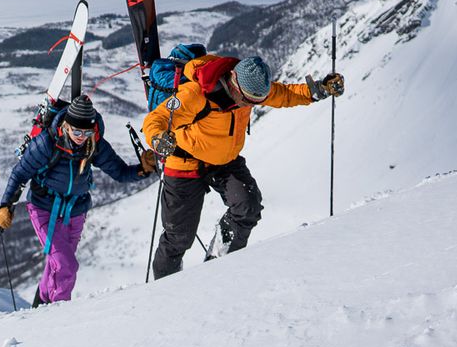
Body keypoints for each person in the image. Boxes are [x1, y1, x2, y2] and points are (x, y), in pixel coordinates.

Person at [144, 53, 344, 278]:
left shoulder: (251, 90)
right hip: (185, 161)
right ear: (233, 81)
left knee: (247, 207)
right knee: (178, 237)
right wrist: (158, 138)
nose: (249, 105)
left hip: (224, 161)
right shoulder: (195, 94)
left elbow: (283, 94)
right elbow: (156, 119)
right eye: (247, 99)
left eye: (256, 101)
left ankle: (217, 267)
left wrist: (316, 90)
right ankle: (164, 291)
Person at [0, 93, 153, 305]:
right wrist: (6, 206)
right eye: (76, 130)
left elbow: (120, 172)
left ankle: (40, 304)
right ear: (66, 125)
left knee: (57, 263)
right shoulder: (46, 144)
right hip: (44, 207)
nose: (80, 136)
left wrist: (142, 170)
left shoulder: (94, 144)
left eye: (86, 131)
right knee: (66, 264)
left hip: (76, 209)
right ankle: (60, 312)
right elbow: (20, 173)